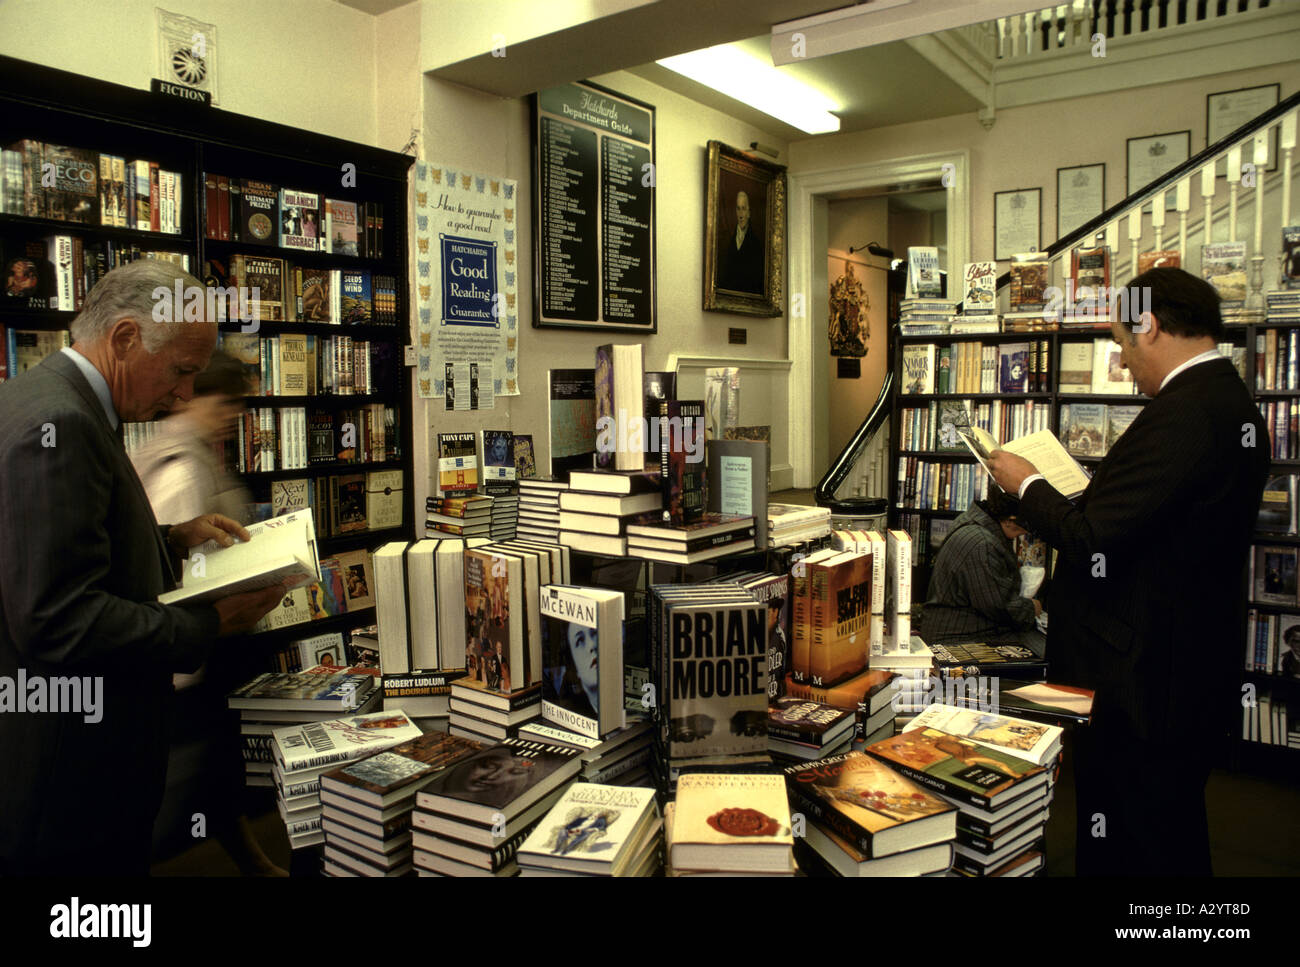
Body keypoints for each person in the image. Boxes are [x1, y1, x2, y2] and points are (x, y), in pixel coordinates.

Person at [0, 260, 287, 876]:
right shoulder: (64, 423)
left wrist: (172, 537)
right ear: (126, 337)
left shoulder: (41, 396)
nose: (185, 394)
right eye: (182, 371)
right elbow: (57, 619)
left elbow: (54, 542)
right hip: (72, 779)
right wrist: (208, 625)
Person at [986, 266, 1269, 876]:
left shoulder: (1188, 414)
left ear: (1150, 324)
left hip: (1144, 681)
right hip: (1177, 668)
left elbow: (1093, 543)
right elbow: (1149, 522)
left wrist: (1028, 483)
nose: (1120, 362)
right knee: (1166, 833)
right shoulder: (1222, 401)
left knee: (1134, 839)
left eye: (1120, 343)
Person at [918, 488, 1041, 644]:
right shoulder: (983, 544)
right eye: (1025, 528)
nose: (1024, 534)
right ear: (1010, 521)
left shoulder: (972, 520)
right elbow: (997, 606)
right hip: (959, 635)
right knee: (1048, 650)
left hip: (954, 625)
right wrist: (1031, 608)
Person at [716, 189, 764, 294]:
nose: (741, 214)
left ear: (749, 213)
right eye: (738, 209)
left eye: (744, 209)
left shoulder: (756, 244)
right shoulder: (728, 241)